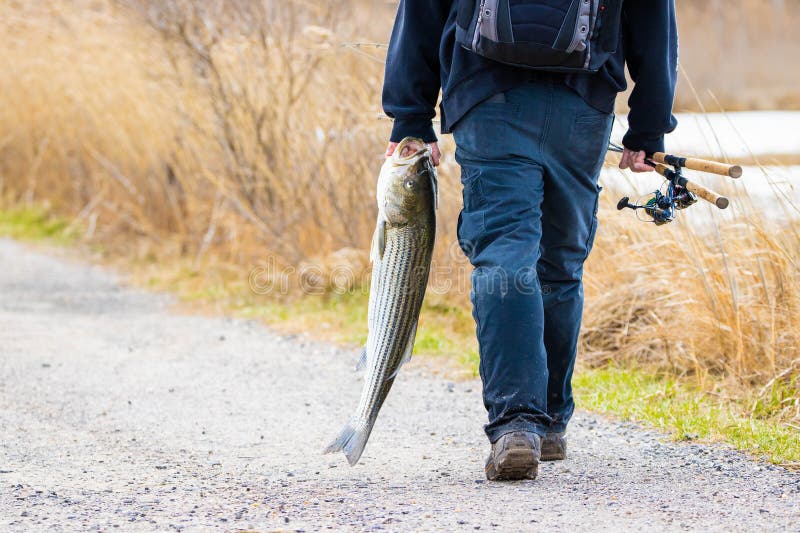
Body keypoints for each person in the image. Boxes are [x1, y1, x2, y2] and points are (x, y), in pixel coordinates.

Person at [382, 0, 678, 481]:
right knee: (560, 264)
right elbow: (653, 18)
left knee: (503, 255)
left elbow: (421, 11)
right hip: (582, 102)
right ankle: (552, 421)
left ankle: (516, 423)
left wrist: (410, 116)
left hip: (486, 96)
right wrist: (650, 123)